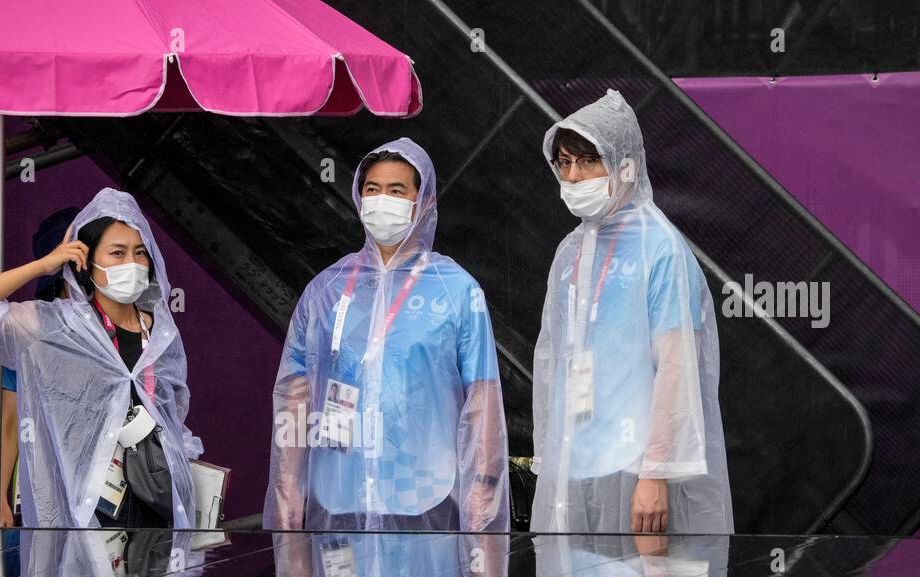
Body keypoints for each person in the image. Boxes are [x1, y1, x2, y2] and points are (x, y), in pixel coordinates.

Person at [264, 137, 509, 532]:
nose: (382, 201)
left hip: (424, 499)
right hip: (338, 497)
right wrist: (288, 489)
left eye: (397, 191)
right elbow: (294, 394)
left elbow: (482, 400)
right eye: (372, 189)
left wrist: (481, 496)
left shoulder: (455, 290)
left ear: (423, 201)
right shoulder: (328, 289)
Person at [531, 89, 733, 534]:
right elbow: (553, 360)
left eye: (588, 161)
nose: (574, 175)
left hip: (637, 467)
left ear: (624, 163)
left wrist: (655, 473)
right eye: (564, 163)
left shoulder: (659, 248)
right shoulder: (571, 250)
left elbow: (676, 366)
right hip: (578, 461)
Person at [0, 188, 202, 529]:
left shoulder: (160, 334)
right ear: (86, 261)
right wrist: (43, 265)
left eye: (140, 253)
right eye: (117, 253)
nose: (132, 263)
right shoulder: (56, 327)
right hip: (84, 507)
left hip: (154, 504)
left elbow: (174, 416)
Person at [0, 207, 80, 528]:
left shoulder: (117, 327)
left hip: (101, 494)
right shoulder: (30, 332)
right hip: (39, 490)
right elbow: (9, 422)